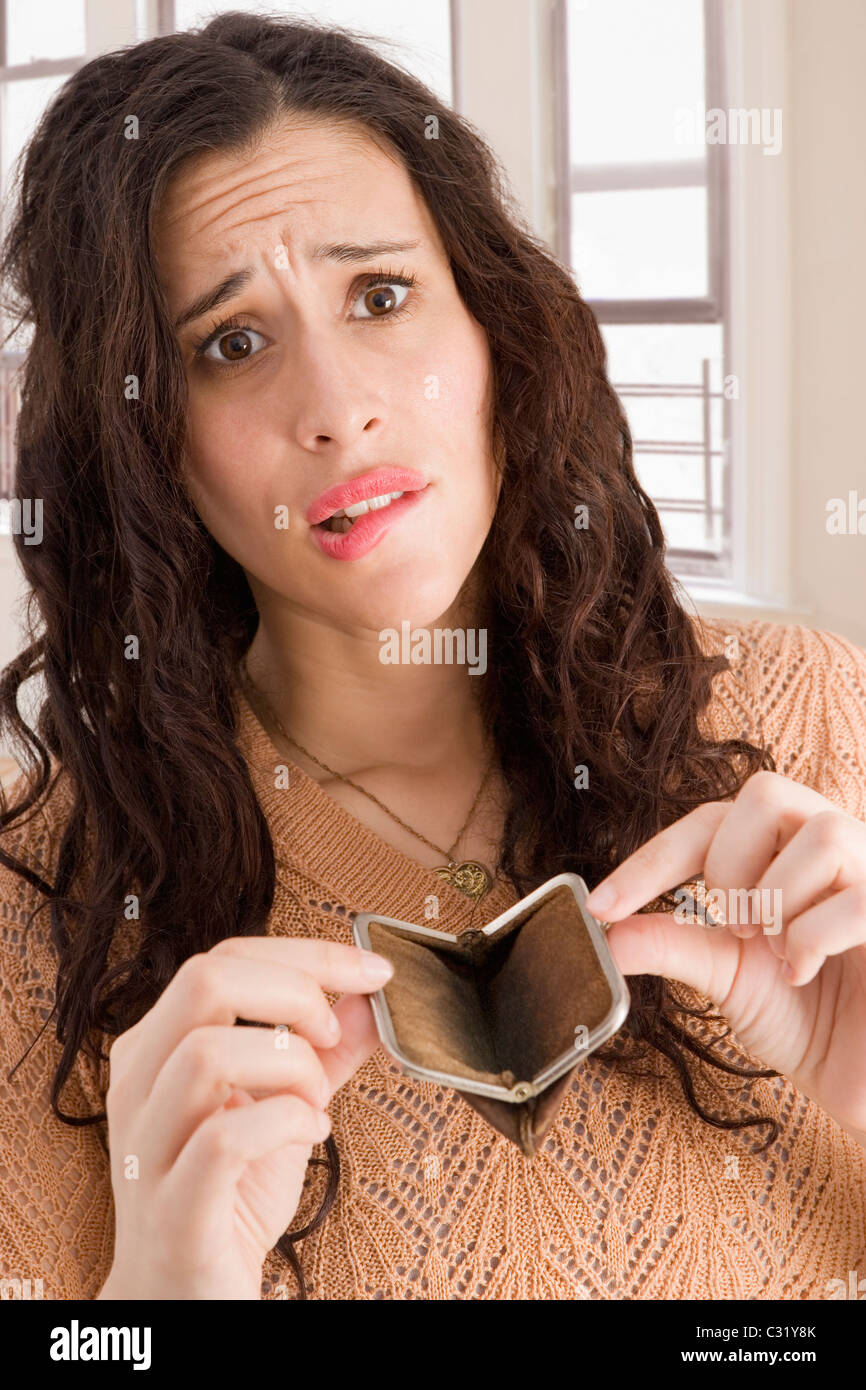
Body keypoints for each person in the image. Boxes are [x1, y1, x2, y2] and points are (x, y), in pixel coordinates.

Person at [1, 12, 865, 1302]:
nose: (338, 405)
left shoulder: (821, 724)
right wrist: (161, 1294)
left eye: (382, 294)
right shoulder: (41, 926)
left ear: (493, 330)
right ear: (144, 446)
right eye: (230, 343)